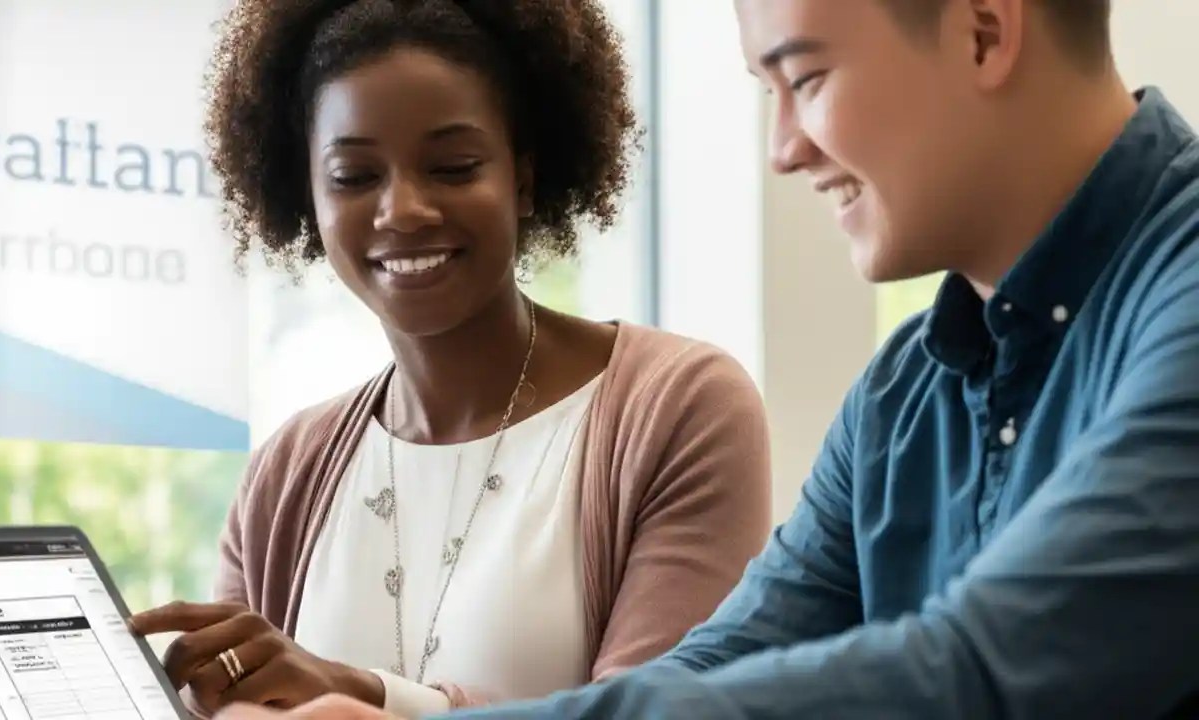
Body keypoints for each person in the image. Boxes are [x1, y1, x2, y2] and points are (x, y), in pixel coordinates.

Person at [213, 0, 1199, 717]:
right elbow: (713, 667)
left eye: (804, 79)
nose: (782, 148)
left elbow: (989, 669)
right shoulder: (902, 396)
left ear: (983, 29)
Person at [125, 0, 774, 718]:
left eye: (453, 167)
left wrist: (367, 696)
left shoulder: (677, 406)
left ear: (524, 180)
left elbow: (653, 713)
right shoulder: (286, 474)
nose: (401, 209)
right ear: (306, 196)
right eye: (353, 176)